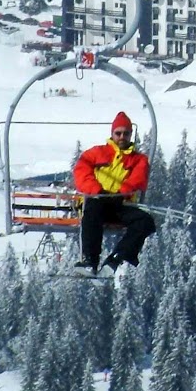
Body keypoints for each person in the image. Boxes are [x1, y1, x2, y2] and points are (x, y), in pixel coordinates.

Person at [72, 112, 156, 273]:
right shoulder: (96, 153)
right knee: (93, 211)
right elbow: (82, 171)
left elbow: (137, 179)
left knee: (145, 221)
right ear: (112, 134)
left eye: (126, 133)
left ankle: (117, 259)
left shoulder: (138, 160)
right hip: (97, 201)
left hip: (120, 204)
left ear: (131, 135)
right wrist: (98, 191)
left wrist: (120, 194)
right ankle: (90, 260)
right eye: (118, 133)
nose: (122, 137)